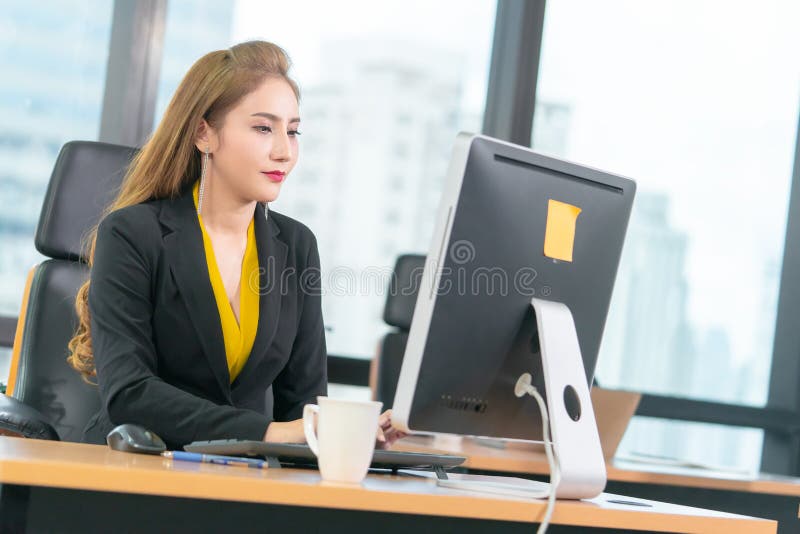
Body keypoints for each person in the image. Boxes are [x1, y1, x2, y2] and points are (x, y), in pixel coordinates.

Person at [67, 40, 405, 450]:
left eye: (293, 131)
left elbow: (302, 404)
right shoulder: (133, 235)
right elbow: (129, 395)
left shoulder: (296, 247)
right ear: (203, 134)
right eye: (264, 128)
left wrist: (345, 433)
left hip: (242, 479)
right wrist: (268, 433)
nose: (284, 151)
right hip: (133, 469)